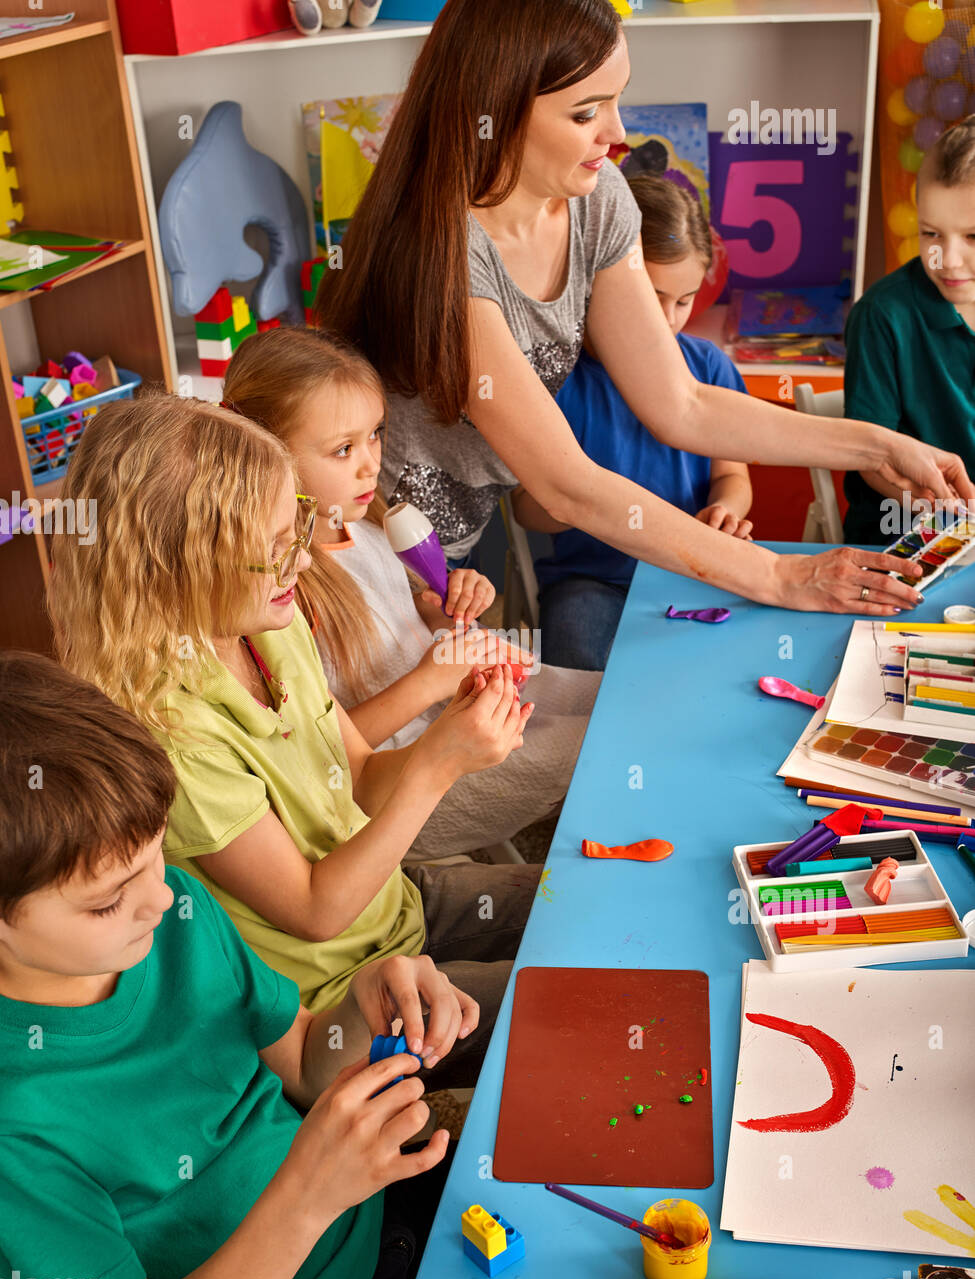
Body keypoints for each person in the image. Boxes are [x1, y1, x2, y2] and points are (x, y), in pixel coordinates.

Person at [315, 0, 972, 617]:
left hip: (442, 547)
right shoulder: (441, 249)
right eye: (584, 113)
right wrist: (774, 574)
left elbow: (680, 403)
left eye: (616, 100)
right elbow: (565, 485)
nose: (616, 132)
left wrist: (876, 445)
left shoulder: (597, 202)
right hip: (352, 552)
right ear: (496, 108)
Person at [49, 395, 541, 1091]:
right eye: (275, 552)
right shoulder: (167, 730)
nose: (305, 563)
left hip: (395, 907)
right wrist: (438, 767)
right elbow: (316, 913)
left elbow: (361, 776)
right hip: (338, 995)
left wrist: (454, 734)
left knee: (576, 906)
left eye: (298, 532)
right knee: (558, 1000)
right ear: (174, 566)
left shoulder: (269, 626)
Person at [0, 651, 456, 1279]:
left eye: (156, 854)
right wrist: (306, 1199)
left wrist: (364, 1005)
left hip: (378, 1214)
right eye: (107, 900)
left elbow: (301, 1059)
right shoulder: (15, 1128)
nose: (158, 899)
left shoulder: (175, 908)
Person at [221, 325, 601, 858]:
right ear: (268, 453)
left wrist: (450, 613)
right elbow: (324, 752)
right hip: (403, 780)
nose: (370, 462)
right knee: (599, 744)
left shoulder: (371, 526)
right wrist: (428, 682)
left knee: (611, 698)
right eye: (343, 448)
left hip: (454, 707)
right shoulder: (280, 588)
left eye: (375, 434)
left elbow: (417, 627)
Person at [514, 173, 753, 669]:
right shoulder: (555, 377)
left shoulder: (709, 367)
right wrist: (575, 501)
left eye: (683, 301)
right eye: (651, 296)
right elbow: (524, 509)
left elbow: (733, 477)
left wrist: (725, 511)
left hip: (697, 570)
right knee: (576, 673)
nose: (666, 319)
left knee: (727, 667)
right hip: (591, 580)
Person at [843, 114, 975, 545]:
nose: (949, 259)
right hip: (902, 537)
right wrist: (945, 511)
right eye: (931, 233)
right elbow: (870, 457)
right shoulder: (882, 315)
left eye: (973, 237)